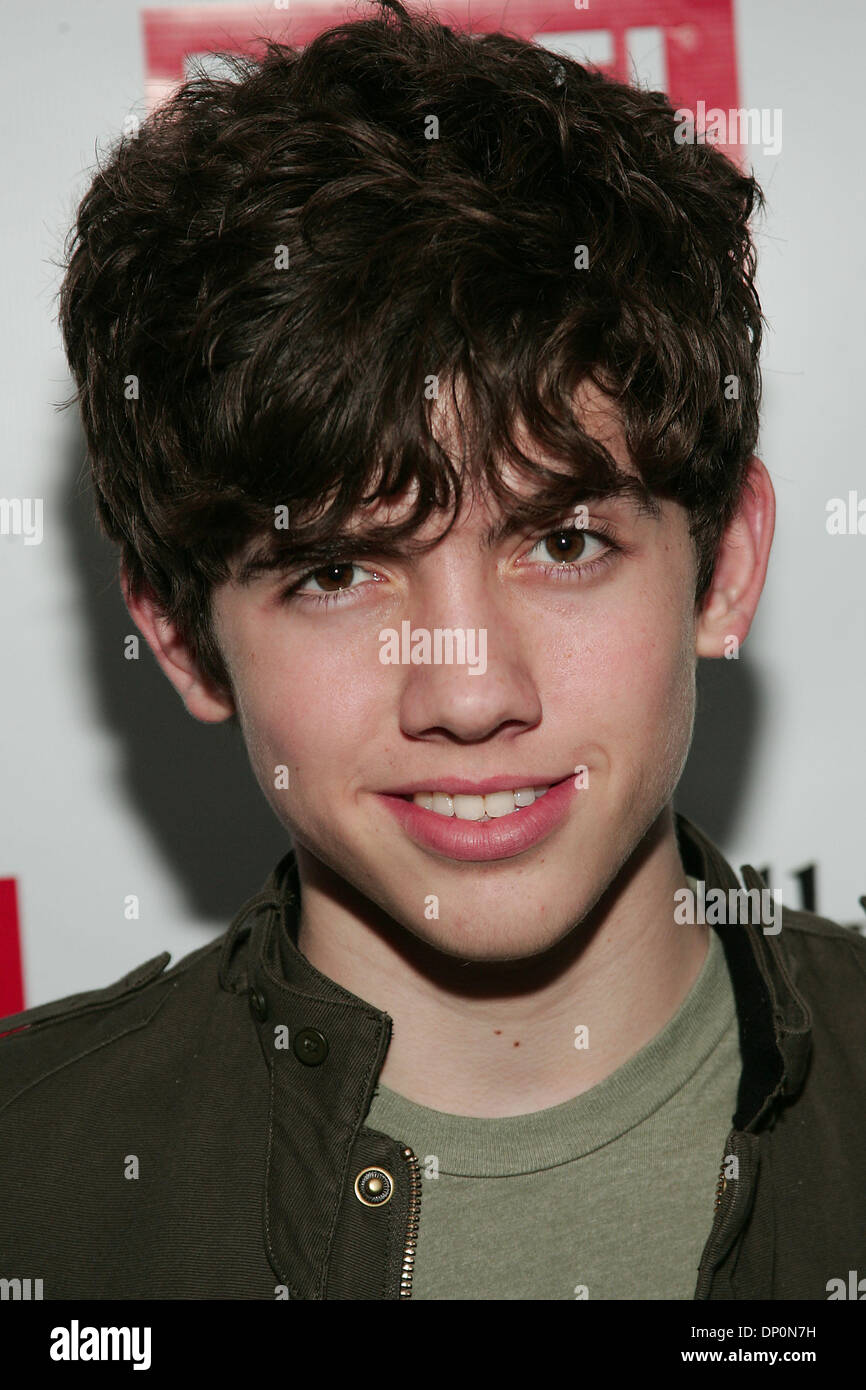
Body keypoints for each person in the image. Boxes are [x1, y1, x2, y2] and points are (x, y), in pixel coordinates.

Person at [2, 0, 863, 1301]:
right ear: (181, 635)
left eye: (562, 543)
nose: (469, 690)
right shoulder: (31, 1179)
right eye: (338, 571)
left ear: (723, 567)